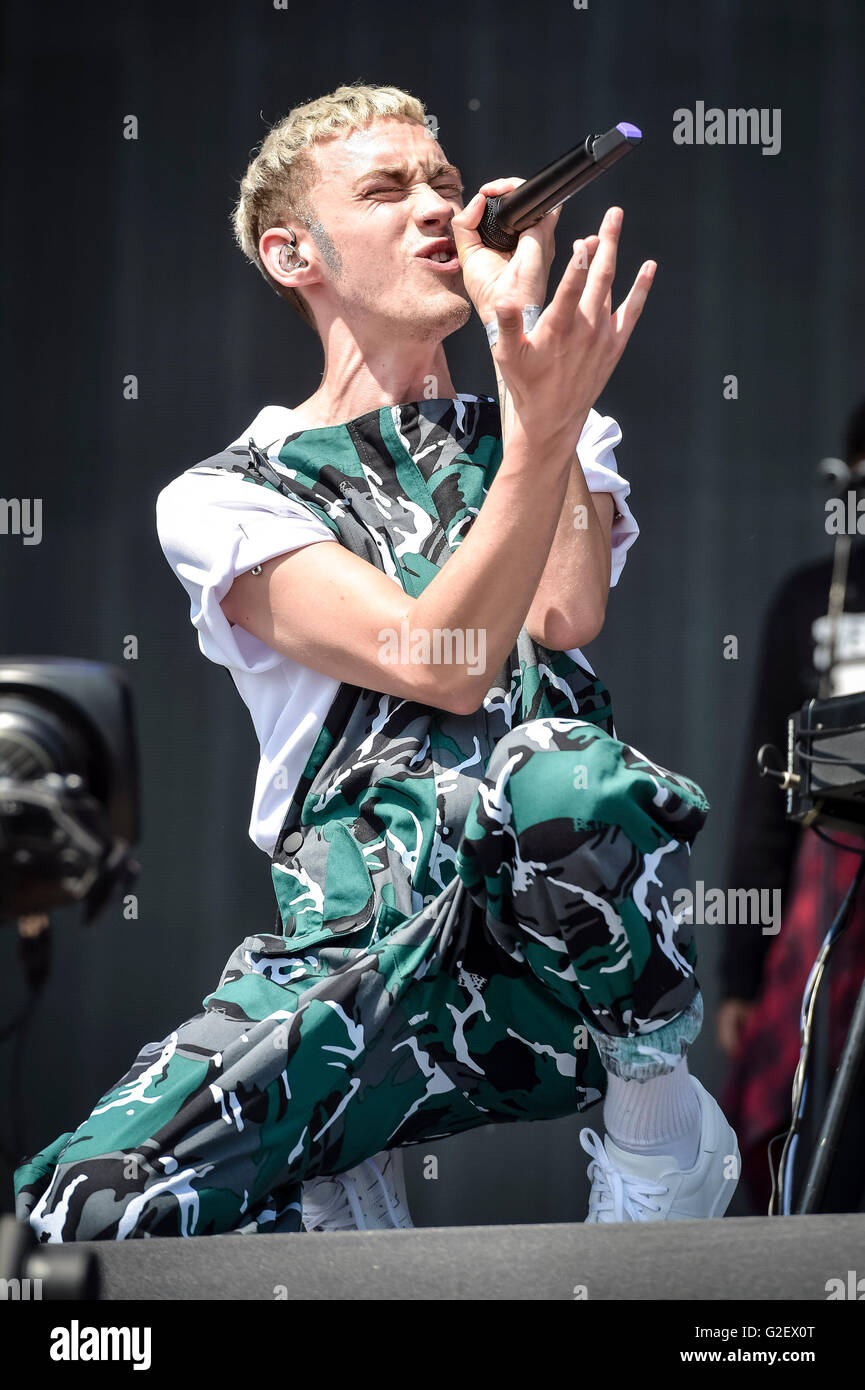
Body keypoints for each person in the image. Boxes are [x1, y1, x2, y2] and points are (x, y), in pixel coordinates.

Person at [13, 82, 738, 1240]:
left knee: (560, 769)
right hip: (357, 951)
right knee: (80, 1211)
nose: (436, 207)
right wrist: (540, 425)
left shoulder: (545, 412)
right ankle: (337, 1163)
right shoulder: (226, 491)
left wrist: (528, 391)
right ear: (292, 252)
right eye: (388, 189)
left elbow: (562, 612)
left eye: (445, 184)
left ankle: (659, 1119)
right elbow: (433, 658)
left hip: (543, 951)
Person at [719, 397, 865, 1213]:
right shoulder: (814, 597)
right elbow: (763, 787)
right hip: (832, 887)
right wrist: (741, 970)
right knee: (799, 1113)